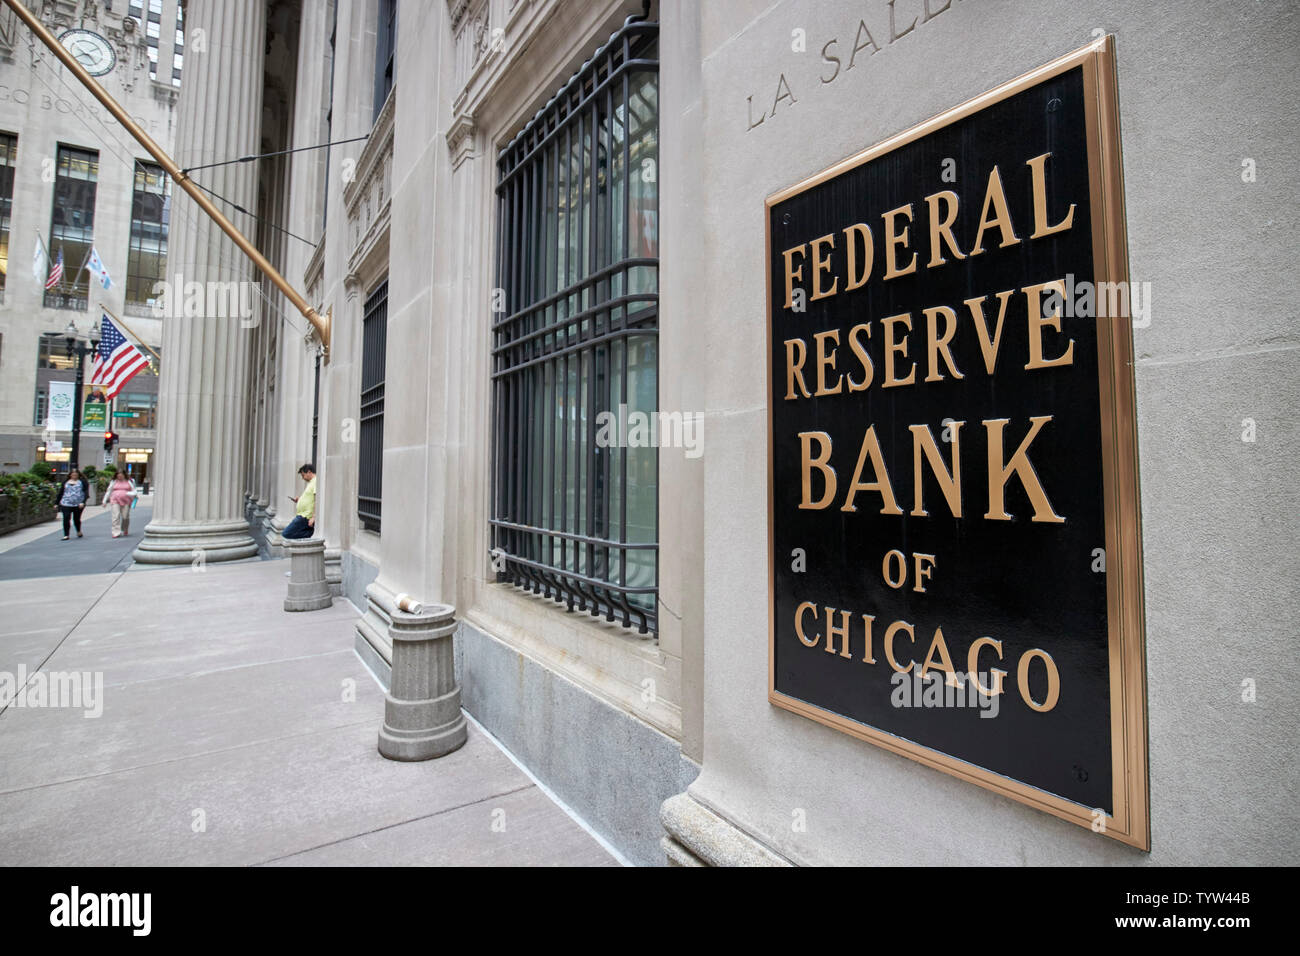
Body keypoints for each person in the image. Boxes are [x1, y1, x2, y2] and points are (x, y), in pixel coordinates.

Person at [281, 463, 317, 539]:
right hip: (302, 515)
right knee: (287, 533)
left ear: (309, 472)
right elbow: (310, 498)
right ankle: (311, 533)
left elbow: (317, 500)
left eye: (303, 475)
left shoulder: (315, 481)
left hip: (306, 516)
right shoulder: (311, 483)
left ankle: (312, 533)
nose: (303, 478)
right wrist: (299, 500)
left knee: (286, 534)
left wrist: (314, 517)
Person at [58, 468, 89, 540]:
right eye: (73, 475)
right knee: (66, 518)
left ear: (78, 475)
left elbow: (86, 493)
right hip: (66, 503)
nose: (74, 476)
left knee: (76, 519)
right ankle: (66, 535)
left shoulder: (82, 482)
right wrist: (56, 503)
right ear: (70, 475)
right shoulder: (66, 482)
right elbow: (61, 492)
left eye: (76, 475)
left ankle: (78, 530)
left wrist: (83, 502)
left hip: (78, 504)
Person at [105, 469, 136, 538]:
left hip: (126, 501)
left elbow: (134, 491)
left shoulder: (129, 481)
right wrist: (104, 501)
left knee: (125, 517)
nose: (120, 477)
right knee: (115, 516)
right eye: (118, 476)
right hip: (115, 500)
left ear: (124, 475)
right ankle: (116, 532)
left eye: (121, 475)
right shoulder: (113, 481)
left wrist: (129, 494)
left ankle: (125, 528)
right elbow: (108, 491)